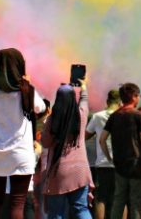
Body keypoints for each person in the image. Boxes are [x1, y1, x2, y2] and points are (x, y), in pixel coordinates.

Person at [0, 48, 46, 219]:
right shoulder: (25, 90)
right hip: (20, 153)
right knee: (18, 203)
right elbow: (41, 108)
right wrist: (27, 85)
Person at [40, 80, 91, 219]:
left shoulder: (52, 119)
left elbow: (45, 143)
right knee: (81, 209)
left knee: (56, 212)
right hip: (80, 170)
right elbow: (84, 100)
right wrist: (84, 86)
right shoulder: (81, 115)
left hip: (59, 171)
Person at [100, 82, 141, 219]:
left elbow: (102, 140)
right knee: (136, 201)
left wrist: (110, 158)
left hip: (119, 165)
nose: (139, 98)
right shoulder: (139, 115)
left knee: (118, 200)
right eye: (139, 95)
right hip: (137, 166)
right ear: (134, 97)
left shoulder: (114, 116)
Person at [85, 89, 120, 219]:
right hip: (121, 165)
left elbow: (85, 136)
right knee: (119, 199)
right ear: (120, 102)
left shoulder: (97, 116)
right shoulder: (123, 115)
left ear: (107, 101)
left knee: (101, 199)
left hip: (102, 163)